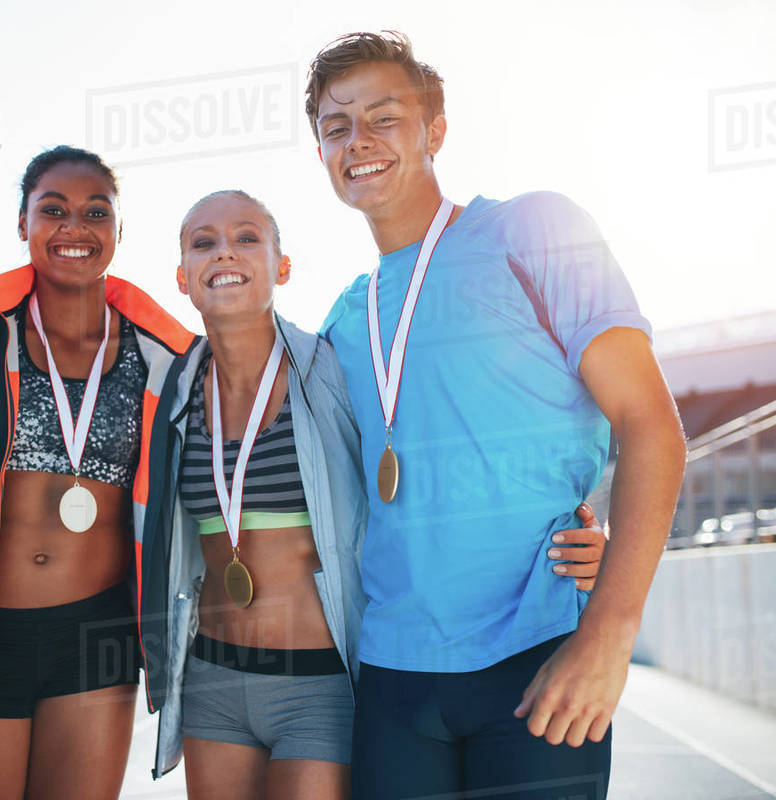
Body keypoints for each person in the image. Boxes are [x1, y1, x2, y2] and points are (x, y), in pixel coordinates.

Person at [308, 31, 687, 799]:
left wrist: (610, 634)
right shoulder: (345, 317)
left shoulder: (536, 230)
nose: (360, 142)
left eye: (384, 117)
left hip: (538, 658)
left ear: (434, 130)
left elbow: (649, 427)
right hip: (391, 677)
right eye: (336, 126)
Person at [137, 190, 607, 799]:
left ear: (283, 266)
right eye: (203, 243)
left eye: (247, 237)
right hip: (215, 682)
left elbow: (440, 439)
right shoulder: (170, 390)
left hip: (317, 684)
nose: (224, 252)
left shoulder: (333, 365)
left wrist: (576, 525)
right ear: (182, 276)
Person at [0, 145, 195, 800]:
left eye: (96, 212)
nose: (76, 227)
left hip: (98, 638)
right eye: (54, 209)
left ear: (119, 231)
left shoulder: (166, 359)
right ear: (22, 225)